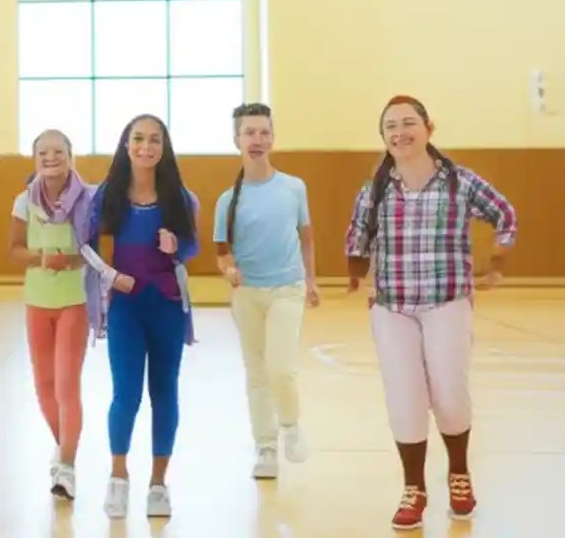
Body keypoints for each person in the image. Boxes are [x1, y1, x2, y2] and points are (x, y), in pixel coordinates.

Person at [345, 95, 517, 531]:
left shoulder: (459, 182)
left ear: (428, 127)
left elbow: (505, 215)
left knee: (449, 392)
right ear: (383, 137)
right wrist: (356, 275)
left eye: (408, 123)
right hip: (392, 308)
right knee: (405, 397)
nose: (400, 132)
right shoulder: (376, 188)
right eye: (390, 127)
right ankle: (414, 487)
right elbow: (357, 236)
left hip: (447, 302)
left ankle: (458, 472)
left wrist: (496, 264)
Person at [85, 114, 198, 520]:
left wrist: (175, 247)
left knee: (164, 392)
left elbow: (191, 249)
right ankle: (118, 478)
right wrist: (111, 276)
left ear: (164, 147)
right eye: (138, 139)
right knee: (126, 394)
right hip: (125, 309)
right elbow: (85, 246)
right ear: (126, 144)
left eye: (154, 139)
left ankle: (158, 484)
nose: (146, 146)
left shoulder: (180, 199)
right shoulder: (106, 196)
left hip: (166, 306)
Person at [212, 103, 318, 480]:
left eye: (263, 132)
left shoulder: (293, 188)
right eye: (249, 133)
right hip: (248, 295)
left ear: (273, 136)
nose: (257, 139)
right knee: (256, 372)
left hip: (287, 289)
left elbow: (305, 238)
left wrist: (312, 279)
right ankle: (266, 445)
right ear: (236, 140)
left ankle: (290, 425)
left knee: (280, 367)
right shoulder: (228, 200)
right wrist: (230, 271)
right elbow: (222, 253)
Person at [7, 129, 94, 500]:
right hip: (37, 301)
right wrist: (42, 258)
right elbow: (14, 250)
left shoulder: (90, 199)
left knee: (66, 385)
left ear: (70, 155)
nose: (51, 157)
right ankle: (63, 449)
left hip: (75, 298)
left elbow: (98, 249)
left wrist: (72, 259)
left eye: (58, 151)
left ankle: (68, 467)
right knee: (44, 387)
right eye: (43, 152)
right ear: (34, 158)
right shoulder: (24, 201)